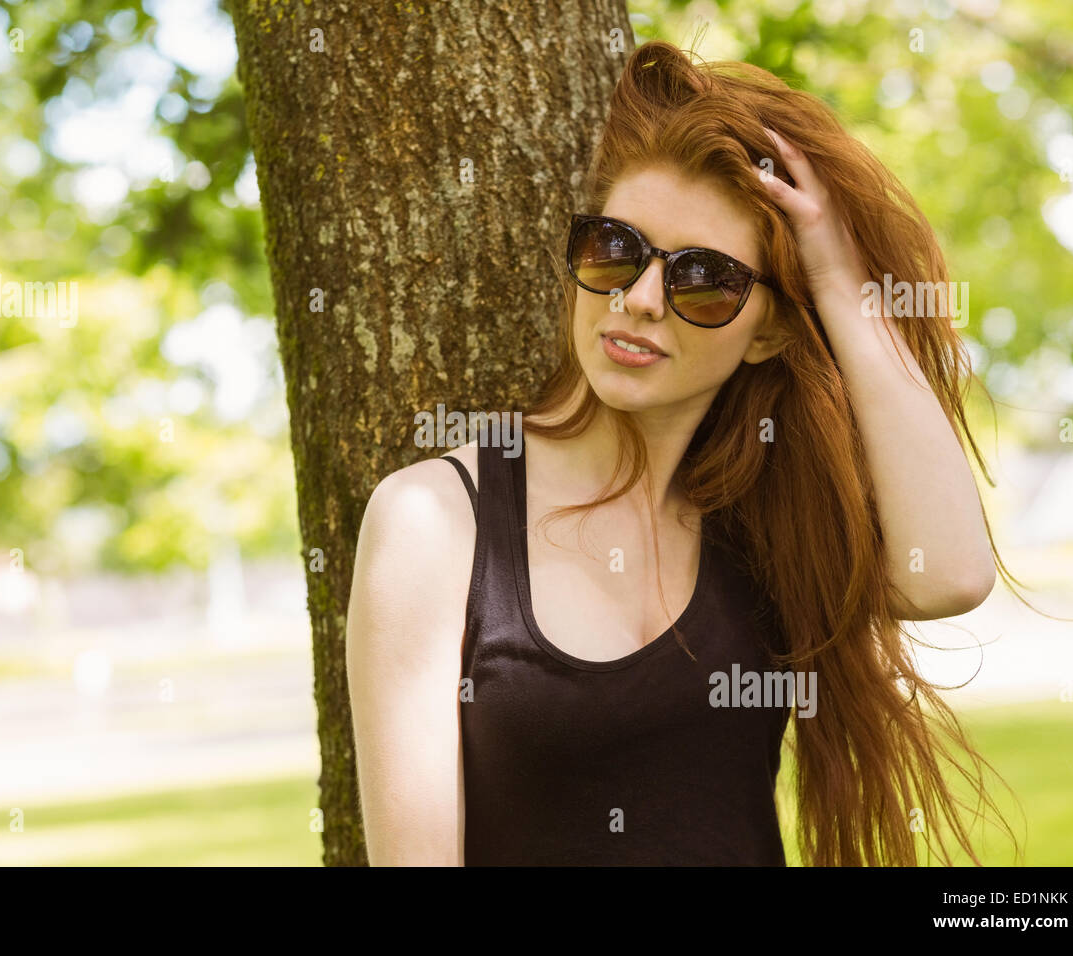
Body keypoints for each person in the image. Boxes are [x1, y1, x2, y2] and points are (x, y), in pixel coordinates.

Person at [346, 39, 1022, 866]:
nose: (637, 300)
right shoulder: (433, 521)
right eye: (614, 250)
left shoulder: (766, 520)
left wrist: (841, 285)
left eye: (704, 280)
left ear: (769, 330)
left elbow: (949, 573)